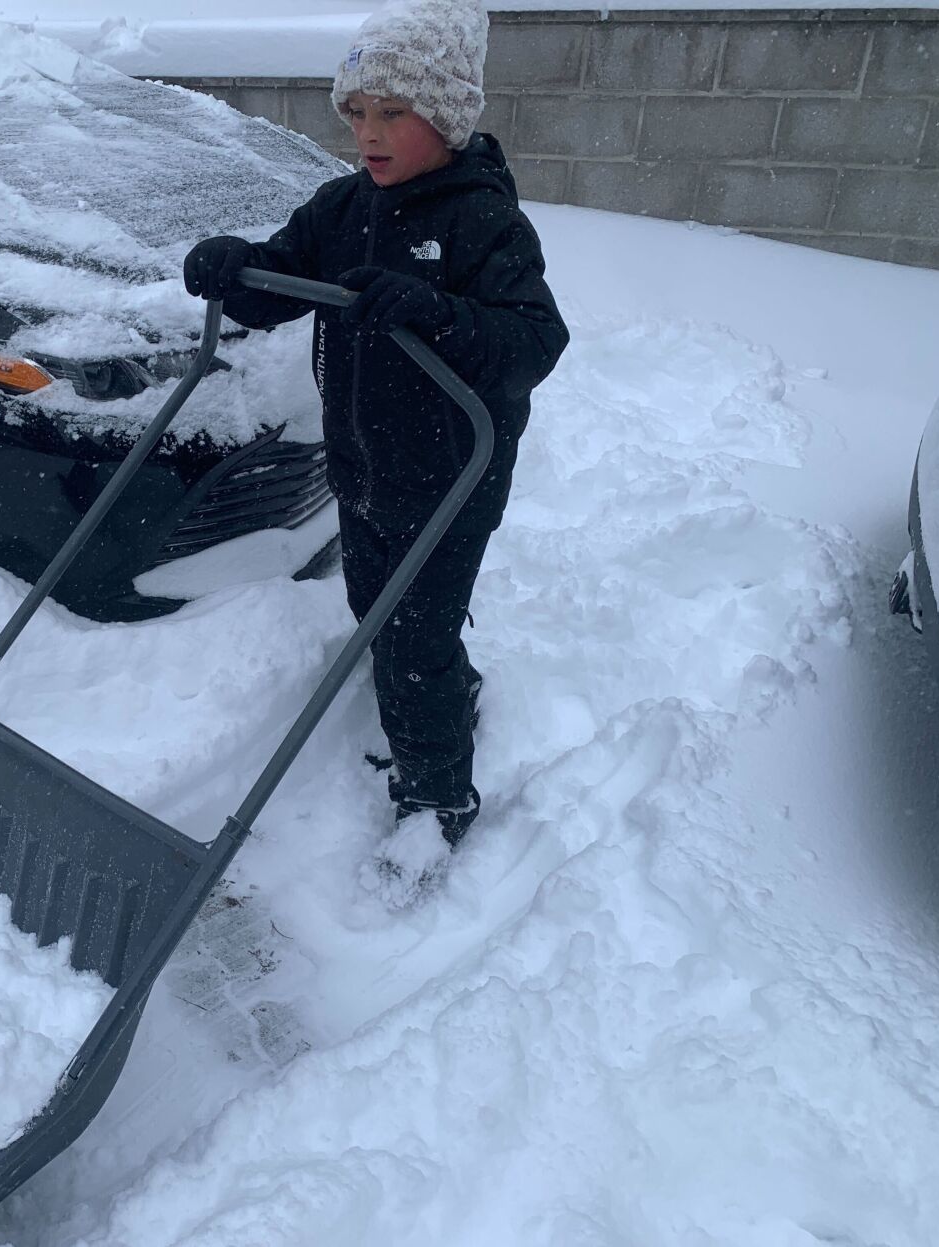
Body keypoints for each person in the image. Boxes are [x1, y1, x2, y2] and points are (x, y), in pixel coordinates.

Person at [183, 0, 568, 856]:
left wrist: (436, 313)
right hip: (360, 464)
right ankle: (443, 692)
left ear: (447, 115)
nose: (370, 133)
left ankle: (436, 803)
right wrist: (234, 270)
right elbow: (281, 277)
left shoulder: (484, 221)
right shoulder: (342, 207)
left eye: (394, 112)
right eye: (358, 113)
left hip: (450, 480)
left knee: (416, 634)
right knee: (373, 606)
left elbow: (537, 339)